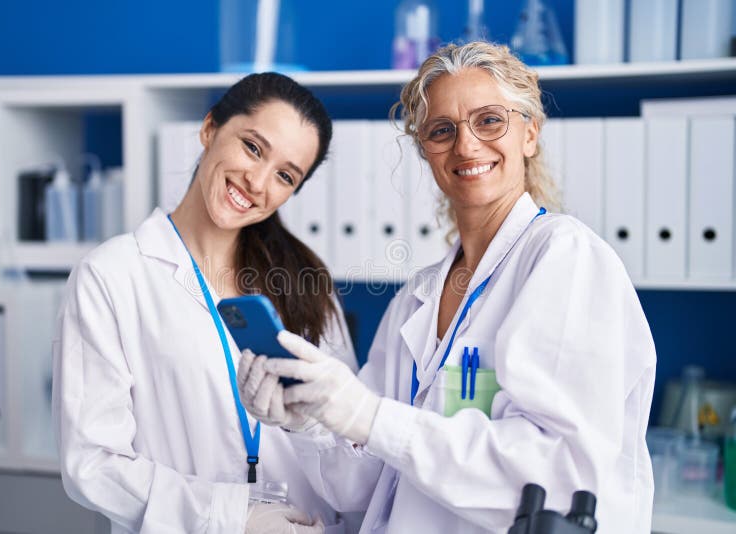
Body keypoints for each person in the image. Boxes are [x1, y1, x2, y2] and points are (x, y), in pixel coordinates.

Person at [237, 42, 656, 533]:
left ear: (530, 134)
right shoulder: (416, 298)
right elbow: (363, 489)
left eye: (490, 121)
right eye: (442, 131)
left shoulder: (565, 260)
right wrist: (307, 420)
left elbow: (558, 479)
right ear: (426, 152)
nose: (466, 145)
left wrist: (369, 415)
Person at [52, 72, 358, 534]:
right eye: (253, 147)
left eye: (284, 175)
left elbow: (351, 454)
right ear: (210, 128)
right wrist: (234, 516)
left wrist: (307, 425)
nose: (257, 182)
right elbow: (92, 463)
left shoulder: (308, 281)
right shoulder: (111, 275)